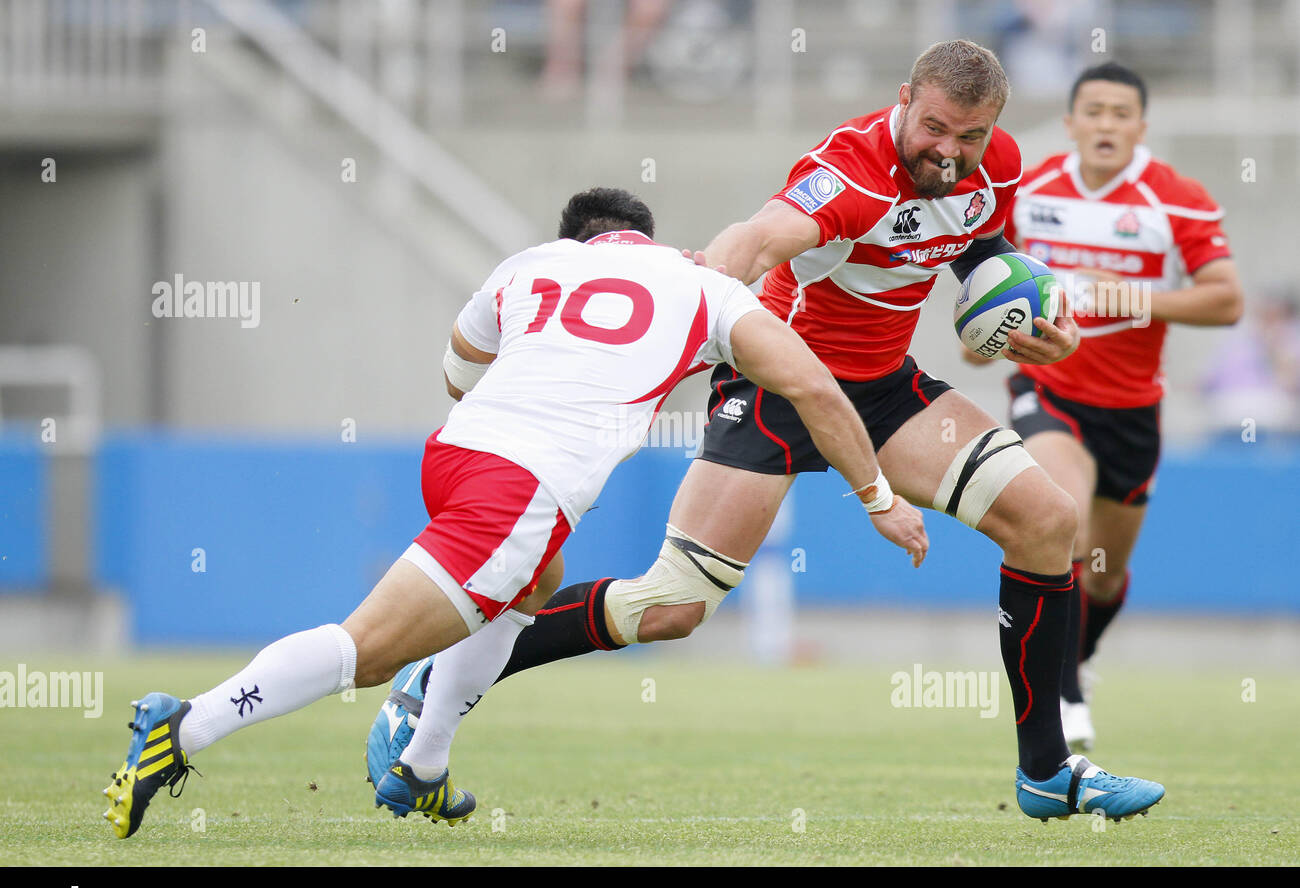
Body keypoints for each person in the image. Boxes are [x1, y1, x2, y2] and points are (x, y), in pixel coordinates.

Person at [373, 41, 1166, 822]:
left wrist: (1032, 314)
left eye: (971, 135)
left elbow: (977, 245)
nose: (950, 152)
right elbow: (755, 239)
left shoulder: (996, 165)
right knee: (673, 607)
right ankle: (437, 679)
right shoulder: (847, 173)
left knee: (1048, 520)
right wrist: (697, 286)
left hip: (885, 393)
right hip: (776, 391)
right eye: (934, 129)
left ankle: (1047, 771)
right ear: (903, 101)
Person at [103, 186, 930, 839]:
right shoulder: (704, 287)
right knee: (370, 652)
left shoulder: (530, 265)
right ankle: (188, 726)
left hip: (456, 455)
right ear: (644, 239)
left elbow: (459, 368)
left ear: (579, 241)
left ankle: (424, 767)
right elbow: (815, 387)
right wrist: (878, 498)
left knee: (535, 584)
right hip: (521, 488)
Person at [962, 63, 1243, 749]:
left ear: (1140, 127)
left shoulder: (1175, 200)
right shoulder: (1028, 191)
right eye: (1094, 111)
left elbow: (1226, 299)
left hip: (1132, 411)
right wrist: (987, 339)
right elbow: (989, 282)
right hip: (1049, 392)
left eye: (1121, 113)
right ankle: (1064, 696)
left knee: (1105, 573)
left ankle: (1078, 658)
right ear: (1071, 122)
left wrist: (1134, 296)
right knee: (1063, 526)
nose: (1106, 124)